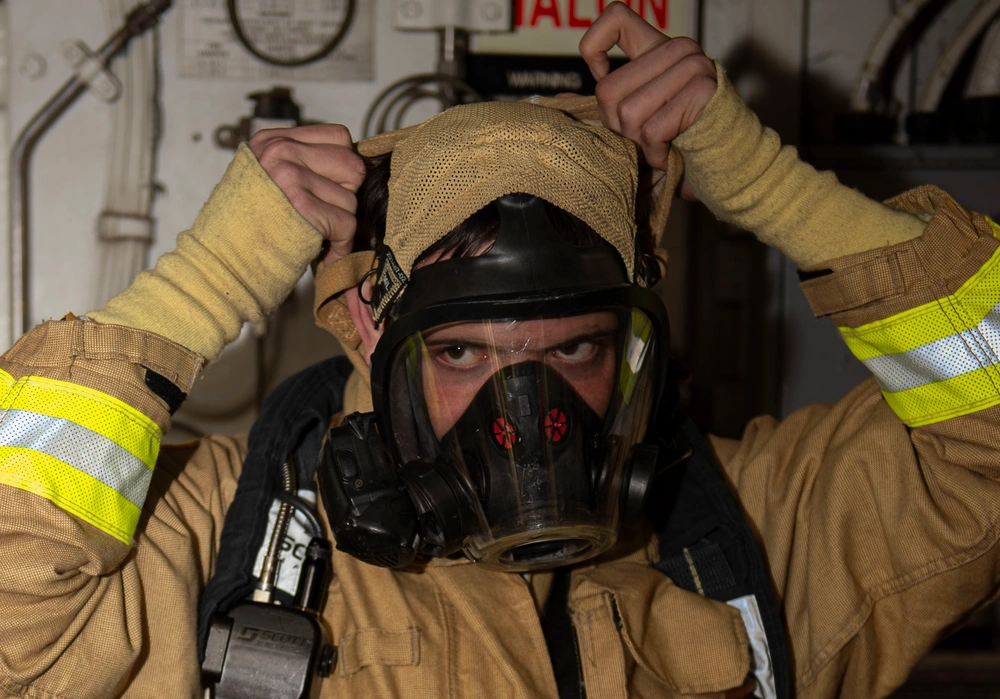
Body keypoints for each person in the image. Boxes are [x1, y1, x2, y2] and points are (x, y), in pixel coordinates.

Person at [1, 4, 999, 698]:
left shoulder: (760, 530)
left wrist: (783, 196)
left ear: (637, 341)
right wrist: (201, 288)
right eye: (463, 358)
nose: (530, 413)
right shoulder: (212, 538)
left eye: (573, 347)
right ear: (365, 330)